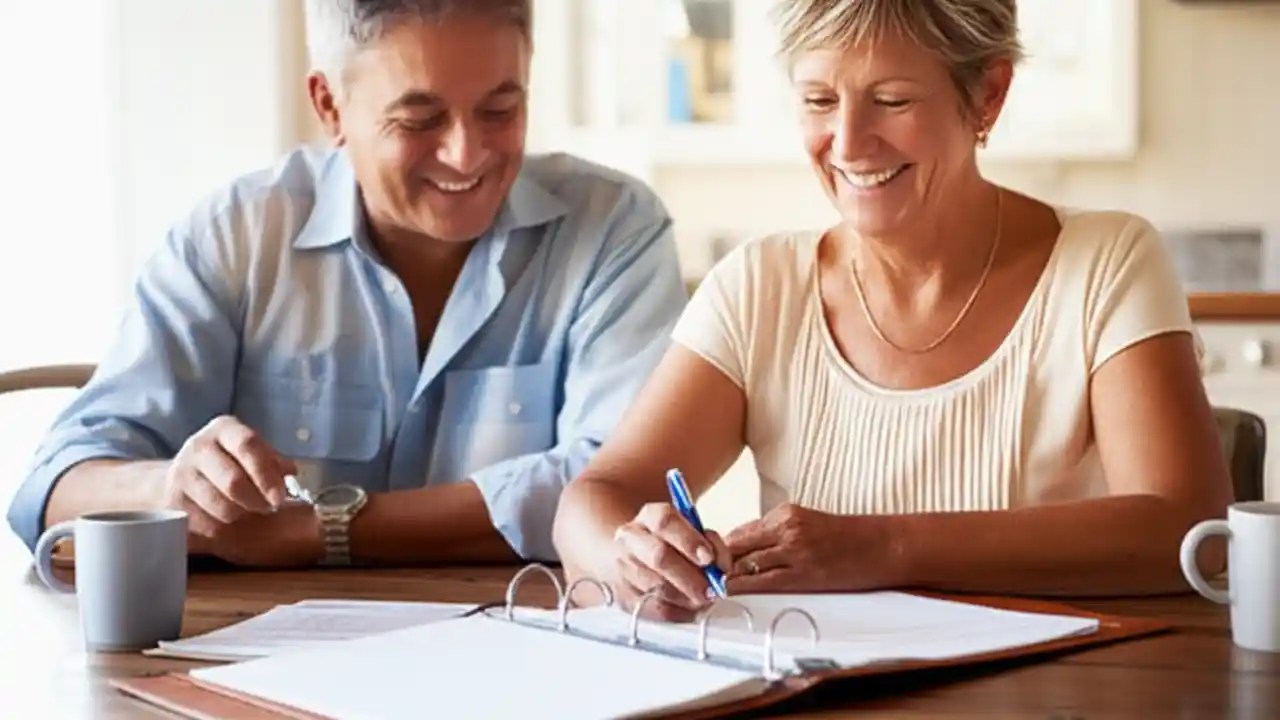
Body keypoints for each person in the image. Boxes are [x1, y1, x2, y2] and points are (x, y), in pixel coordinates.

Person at [553, 0, 1232, 620]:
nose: (848, 143)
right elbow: (592, 499)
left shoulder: (1107, 262)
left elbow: (1187, 529)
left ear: (988, 95)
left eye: (892, 100)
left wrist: (885, 546)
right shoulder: (759, 287)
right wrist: (632, 558)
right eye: (819, 100)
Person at [7, 0, 686, 568]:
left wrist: (320, 531)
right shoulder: (236, 236)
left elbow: (617, 488)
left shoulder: (614, 228)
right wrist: (170, 490)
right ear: (329, 105)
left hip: (532, 649)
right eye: (418, 120)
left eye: (500, 110)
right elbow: (51, 489)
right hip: (254, 655)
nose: (466, 153)